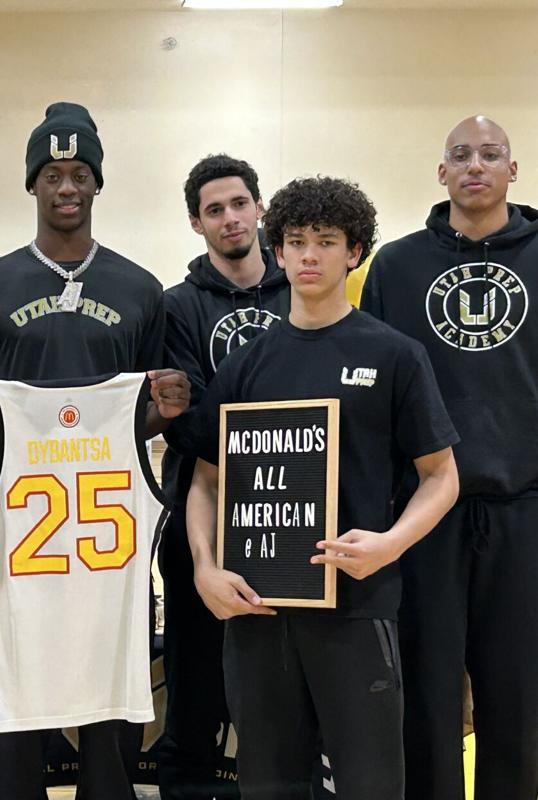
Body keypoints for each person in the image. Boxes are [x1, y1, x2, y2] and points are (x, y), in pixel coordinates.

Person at [0, 101, 189, 800]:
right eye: (52, 173)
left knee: (110, 707)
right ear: (33, 184)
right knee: (11, 707)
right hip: (22, 531)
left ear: (98, 183)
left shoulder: (141, 289)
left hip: (107, 536)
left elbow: (140, 420)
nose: (67, 186)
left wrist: (162, 411)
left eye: (80, 172)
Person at [186, 176, 459, 800]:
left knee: (368, 784)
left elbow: (441, 477)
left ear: (354, 251)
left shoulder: (394, 356)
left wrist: (391, 543)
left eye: (327, 241)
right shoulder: (246, 364)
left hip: (358, 610)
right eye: (296, 241)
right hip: (259, 612)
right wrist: (204, 567)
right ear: (277, 250)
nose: (309, 255)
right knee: (269, 783)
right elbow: (204, 479)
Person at [361, 115, 538, 800]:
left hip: (522, 507)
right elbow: (376, 391)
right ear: (440, 173)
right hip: (425, 516)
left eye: (491, 155)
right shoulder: (398, 267)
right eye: (460, 155)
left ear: (512, 172)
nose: (475, 166)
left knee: (517, 698)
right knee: (428, 696)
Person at [159, 154, 288, 800]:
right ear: (195, 223)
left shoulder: (303, 287)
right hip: (200, 520)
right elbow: (185, 421)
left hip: (293, 519)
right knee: (195, 692)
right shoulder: (176, 306)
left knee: (284, 695)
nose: (230, 218)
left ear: (260, 208)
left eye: (240, 203)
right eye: (214, 209)